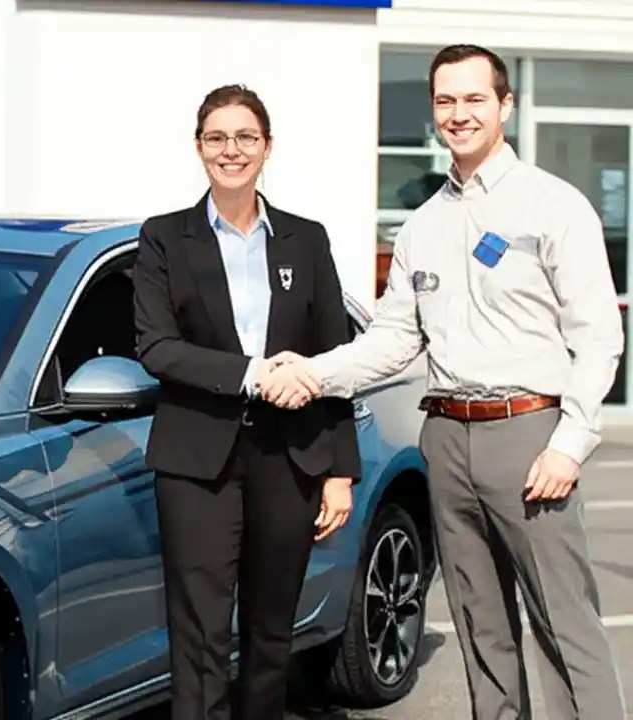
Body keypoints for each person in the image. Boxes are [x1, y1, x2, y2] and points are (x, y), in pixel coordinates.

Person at [263, 44, 626, 720]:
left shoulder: (553, 206)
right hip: (446, 439)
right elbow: (394, 340)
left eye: (474, 99)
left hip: (529, 437)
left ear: (505, 106)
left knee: (563, 627)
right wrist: (314, 371)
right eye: (445, 101)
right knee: (480, 626)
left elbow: (600, 336)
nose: (459, 115)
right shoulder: (423, 227)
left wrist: (569, 444)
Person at [131, 83, 360, 720]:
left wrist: (340, 470)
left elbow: (333, 356)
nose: (231, 150)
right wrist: (254, 375)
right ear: (199, 147)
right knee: (199, 634)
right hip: (195, 459)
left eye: (245, 138)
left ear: (267, 147)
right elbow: (158, 348)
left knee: (271, 632)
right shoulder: (164, 239)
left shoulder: (306, 240)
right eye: (217, 138)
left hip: (289, 459)